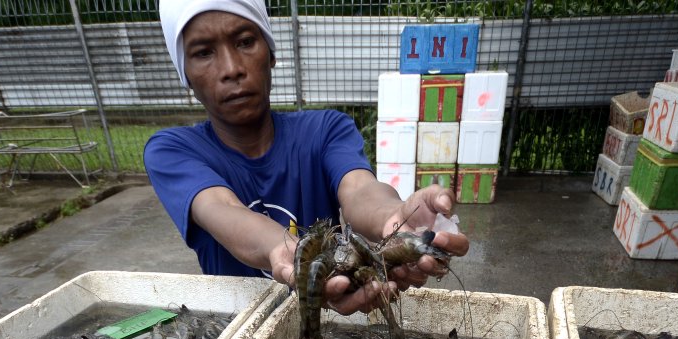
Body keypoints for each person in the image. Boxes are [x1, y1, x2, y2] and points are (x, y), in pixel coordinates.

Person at [147, 0, 469, 316]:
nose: (231, 69)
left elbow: (359, 189)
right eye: (203, 52)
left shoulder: (326, 129)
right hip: (236, 325)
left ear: (270, 53)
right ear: (185, 74)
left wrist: (392, 216)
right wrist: (286, 251)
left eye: (245, 42)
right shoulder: (172, 150)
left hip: (333, 321)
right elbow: (222, 208)